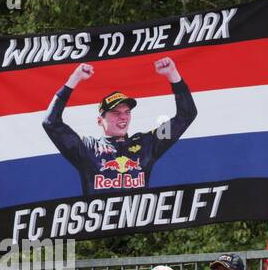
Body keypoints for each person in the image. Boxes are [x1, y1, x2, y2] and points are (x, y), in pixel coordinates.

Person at [43, 57, 194, 194]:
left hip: (137, 222)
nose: (123, 117)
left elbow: (186, 116)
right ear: (100, 121)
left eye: (127, 112)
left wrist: (173, 75)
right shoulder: (87, 148)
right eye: (116, 112)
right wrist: (74, 78)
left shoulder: (149, 143)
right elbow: (51, 122)